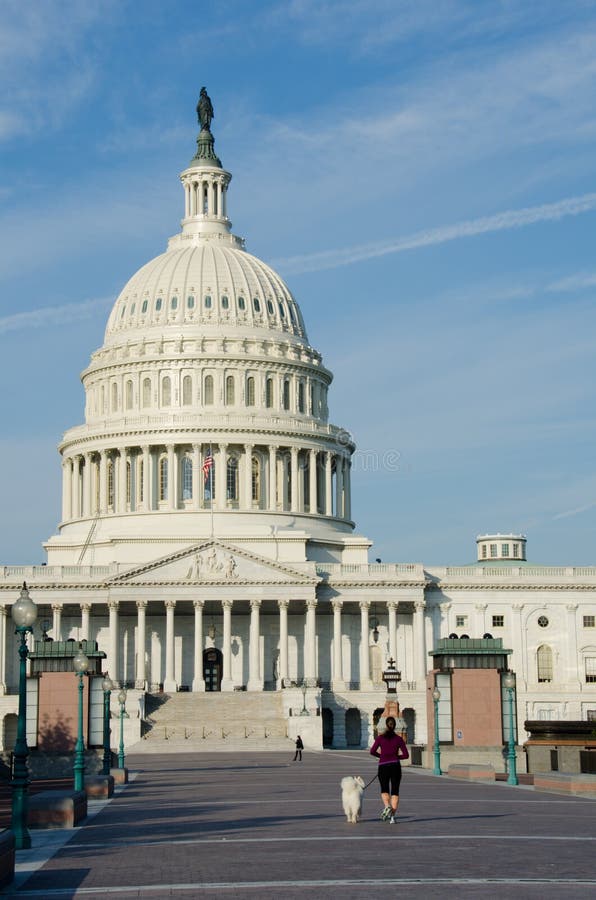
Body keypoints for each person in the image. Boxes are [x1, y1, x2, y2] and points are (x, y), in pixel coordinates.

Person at [369, 716, 409, 824]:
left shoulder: (380, 738)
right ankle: (392, 817)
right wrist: (396, 757)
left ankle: (387, 806)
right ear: (395, 726)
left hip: (383, 766)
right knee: (395, 791)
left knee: (384, 789)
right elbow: (406, 755)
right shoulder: (399, 739)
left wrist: (381, 756)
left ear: (386, 725)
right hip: (395, 766)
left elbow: (372, 751)